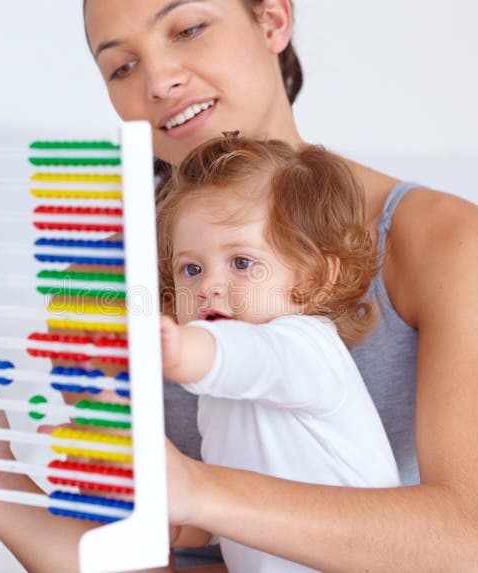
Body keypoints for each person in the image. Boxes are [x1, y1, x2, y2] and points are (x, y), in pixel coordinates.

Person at [0, 0, 478, 570]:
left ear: (272, 18)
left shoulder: (439, 240)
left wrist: (196, 489)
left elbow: (465, 547)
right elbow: (139, 556)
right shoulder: (97, 283)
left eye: (187, 29)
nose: (159, 81)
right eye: (122, 67)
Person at [157, 134, 401, 571]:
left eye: (241, 263)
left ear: (314, 278)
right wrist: (195, 527)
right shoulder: (219, 395)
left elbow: (246, 357)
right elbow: (246, 491)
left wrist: (170, 347)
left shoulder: (305, 347)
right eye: (191, 269)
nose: (208, 285)